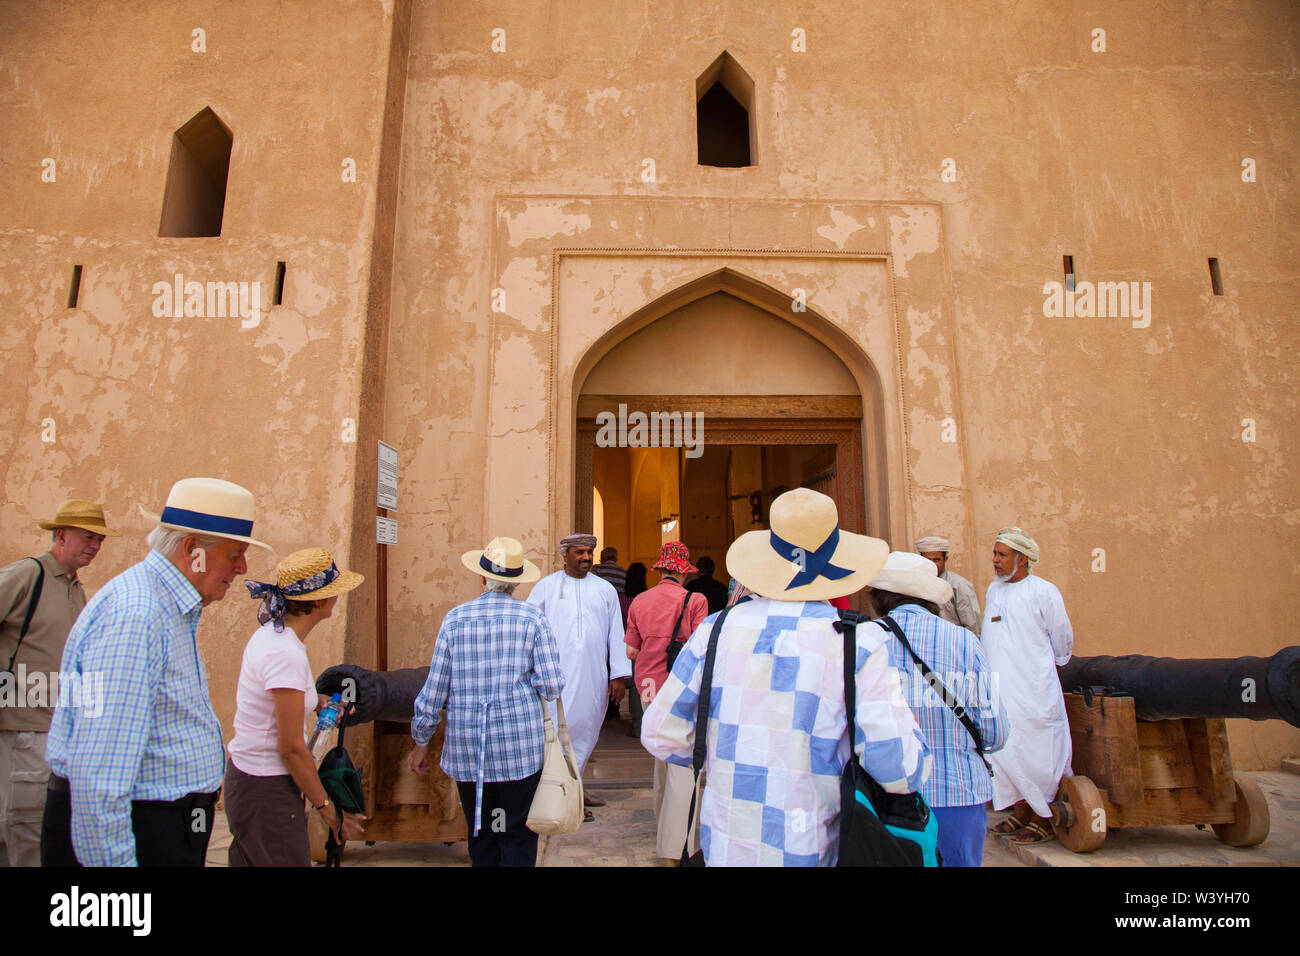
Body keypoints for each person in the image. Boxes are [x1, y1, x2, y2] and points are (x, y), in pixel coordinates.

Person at [641, 489, 930, 866]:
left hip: (728, 849)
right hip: (812, 849)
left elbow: (661, 733)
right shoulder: (859, 642)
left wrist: (726, 749)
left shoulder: (717, 631)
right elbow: (899, 771)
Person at [42, 477, 272, 866]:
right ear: (191, 550)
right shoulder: (138, 615)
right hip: (142, 827)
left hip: (162, 823)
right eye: (235, 554)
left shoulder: (163, 607)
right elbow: (99, 775)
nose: (242, 567)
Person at [407, 537, 564, 866]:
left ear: (482, 577)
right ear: (517, 582)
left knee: (481, 836)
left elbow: (435, 689)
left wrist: (421, 740)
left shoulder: (455, 620)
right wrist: (526, 679)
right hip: (519, 750)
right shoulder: (532, 620)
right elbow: (551, 685)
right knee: (517, 836)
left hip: (468, 750)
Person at [223, 547, 367, 866]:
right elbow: (290, 747)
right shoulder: (284, 654)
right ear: (317, 601)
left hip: (251, 783)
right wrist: (326, 807)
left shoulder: (274, 639)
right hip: (266, 789)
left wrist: (318, 703)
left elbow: (280, 699)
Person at [865, 552, 1009, 866]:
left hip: (885, 801)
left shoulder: (864, 641)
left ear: (877, 598)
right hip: (959, 792)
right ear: (931, 598)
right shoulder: (965, 642)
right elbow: (996, 732)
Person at [0, 500, 118, 867]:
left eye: (99, 538)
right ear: (61, 535)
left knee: (38, 834)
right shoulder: (28, 574)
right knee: (25, 835)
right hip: (23, 729)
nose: (95, 545)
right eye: (87, 536)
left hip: (53, 731)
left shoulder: (74, 588)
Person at [526, 532, 629, 819]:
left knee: (585, 731)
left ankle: (576, 786)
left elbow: (615, 633)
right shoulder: (546, 587)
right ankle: (563, 796)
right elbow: (529, 630)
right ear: (565, 555)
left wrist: (618, 675)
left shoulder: (605, 589)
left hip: (594, 675)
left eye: (588, 553)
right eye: (579, 552)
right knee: (559, 732)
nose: (585, 557)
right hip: (556, 676)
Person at [983, 527, 1074, 846]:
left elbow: (1062, 637)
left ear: (1021, 560)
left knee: (1037, 749)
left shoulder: (1044, 592)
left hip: (1034, 688)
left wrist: (1052, 665)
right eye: (994, 553)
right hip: (1001, 689)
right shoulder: (994, 591)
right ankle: (1022, 810)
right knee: (1009, 748)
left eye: (1001, 554)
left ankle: (1044, 817)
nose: (994, 560)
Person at [624, 542, 708, 864]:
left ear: (661, 569)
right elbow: (701, 647)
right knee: (683, 766)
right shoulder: (695, 600)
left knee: (661, 758)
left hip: (648, 687)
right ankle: (674, 848)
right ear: (683, 571)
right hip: (681, 687)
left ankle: (664, 827)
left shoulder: (640, 601)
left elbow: (631, 651)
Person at [915, 535, 982, 636]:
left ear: (945, 559)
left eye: (937, 560)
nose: (933, 564)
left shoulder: (958, 585)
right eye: (928, 560)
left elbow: (973, 627)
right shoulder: (916, 585)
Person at [620, 562, 648, 737]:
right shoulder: (647, 597)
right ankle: (639, 725)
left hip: (622, 643)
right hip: (642, 644)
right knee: (639, 687)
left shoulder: (621, 597)